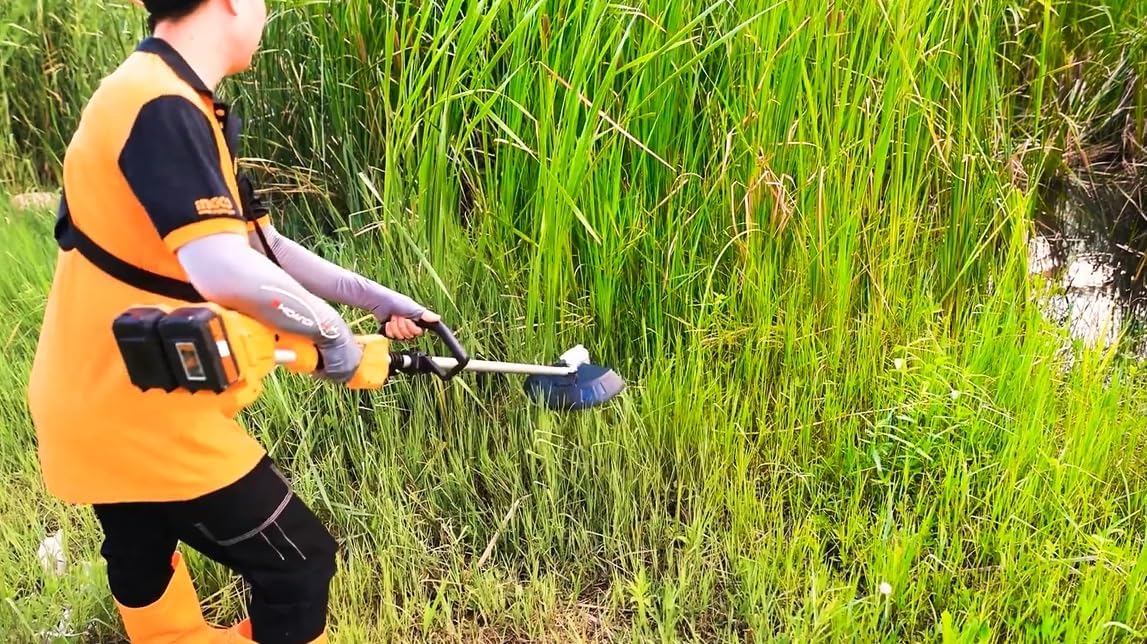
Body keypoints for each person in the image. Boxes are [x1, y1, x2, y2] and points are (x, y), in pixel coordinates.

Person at [25, 0, 437, 641]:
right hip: (142, 410)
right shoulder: (161, 104)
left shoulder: (157, 96)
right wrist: (329, 335)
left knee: (142, 545)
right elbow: (224, 270)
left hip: (100, 390)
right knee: (299, 565)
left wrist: (376, 300)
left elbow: (260, 250)